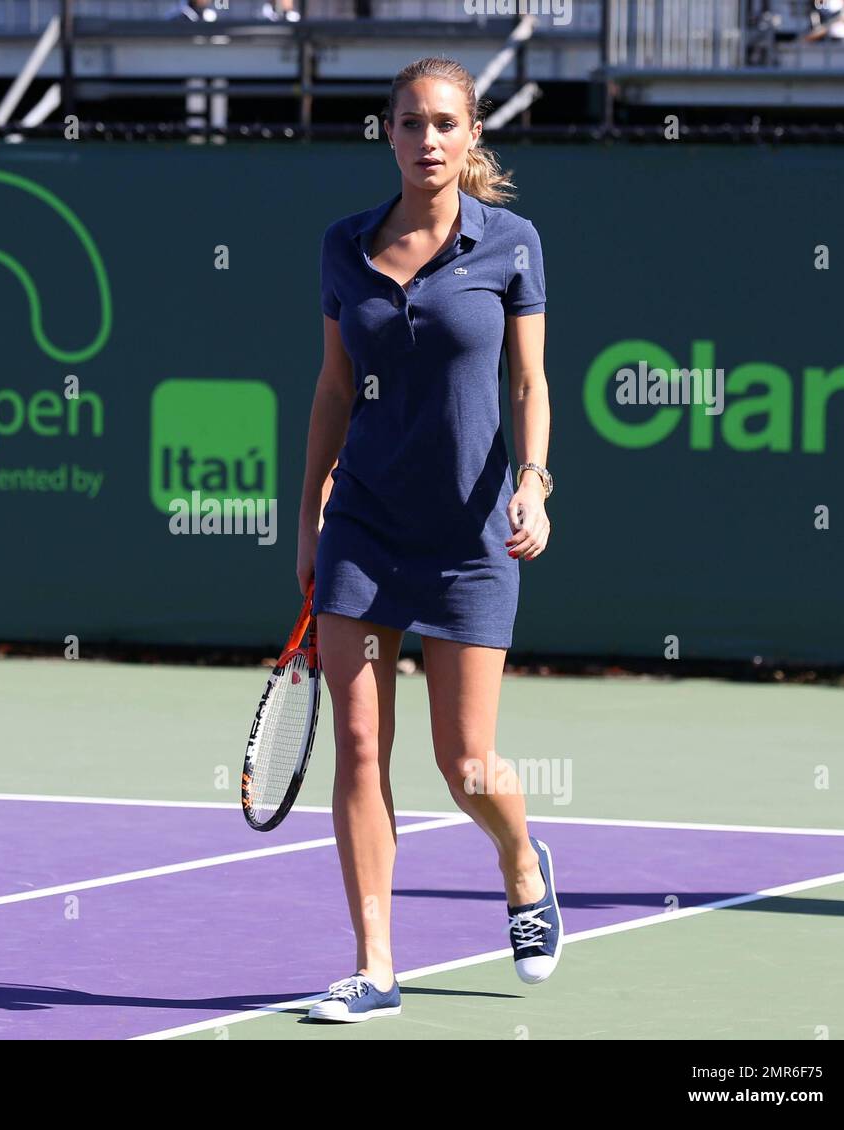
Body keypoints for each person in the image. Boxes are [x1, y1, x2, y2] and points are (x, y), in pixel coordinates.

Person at [297, 55, 560, 1022]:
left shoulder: (513, 244)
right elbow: (331, 390)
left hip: (469, 536)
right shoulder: (343, 246)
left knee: (467, 765)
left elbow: (529, 386)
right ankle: (374, 966)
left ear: (473, 135)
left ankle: (522, 862)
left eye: (446, 123)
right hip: (364, 528)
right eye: (410, 123)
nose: (428, 140)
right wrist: (309, 511)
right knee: (360, 746)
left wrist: (532, 483)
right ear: (389, 134)